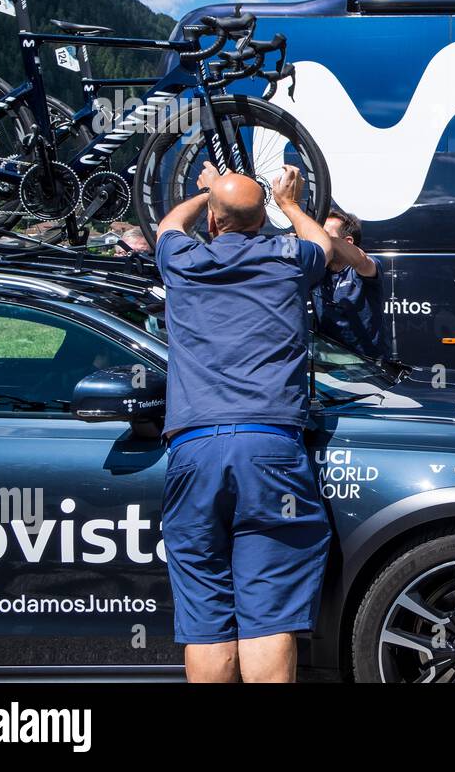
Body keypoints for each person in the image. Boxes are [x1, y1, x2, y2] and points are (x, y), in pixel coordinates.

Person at [155, 162, 334, 683]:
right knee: (270, 615)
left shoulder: (184, 260)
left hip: (194, 452)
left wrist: (207, 191)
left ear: (212, 222)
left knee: (206, 621)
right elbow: (322, 245)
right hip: (271, 450)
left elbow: (167, 225)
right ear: (261, 221)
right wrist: (292, 204)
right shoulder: (287, 259)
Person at [314, 207, 384, 360]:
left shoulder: (363, 269)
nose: (318, 240)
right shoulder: (318, 270)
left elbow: (362, 261)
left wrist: (320, 237)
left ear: (348, 243)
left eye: (325, 235)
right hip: (326, 367)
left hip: (366, 368)